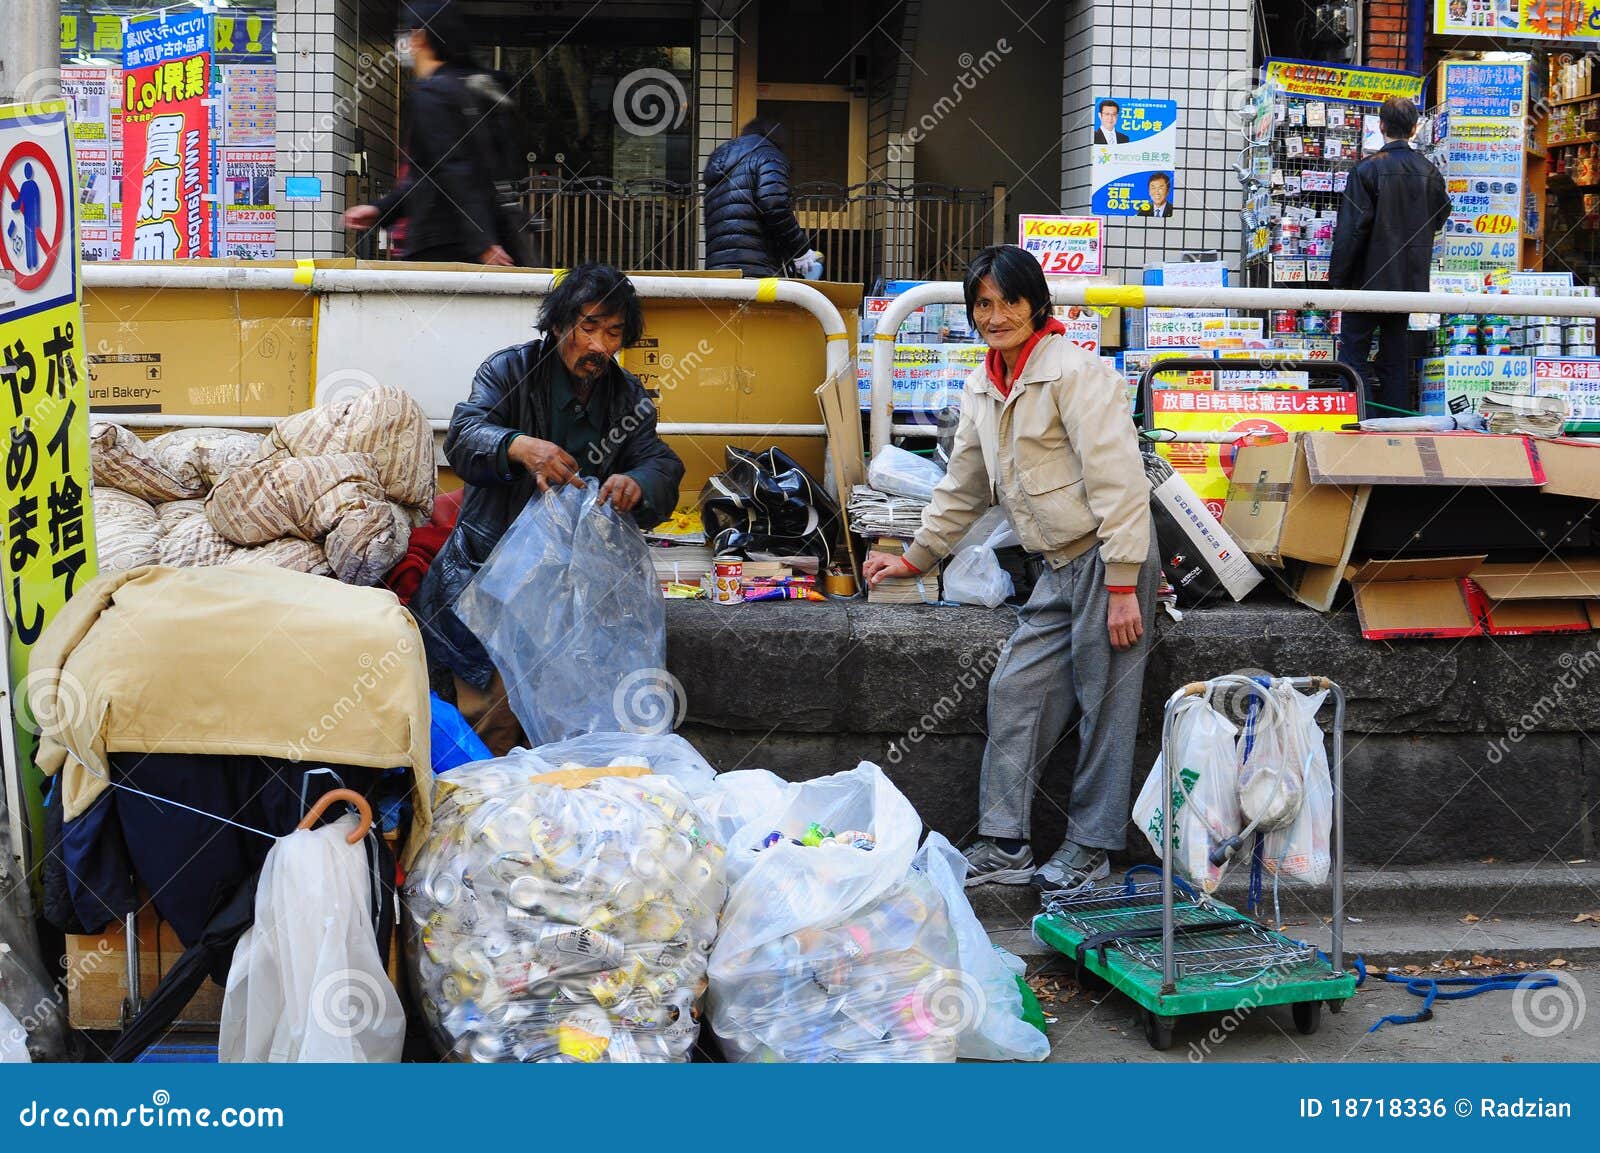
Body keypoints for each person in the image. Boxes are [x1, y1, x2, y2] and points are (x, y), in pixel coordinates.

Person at [863, 245, 1158, 897]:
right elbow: (961, 486)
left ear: (1038, 305)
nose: (995, 316)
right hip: (1055, 563)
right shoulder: (983, 384)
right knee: (1015, 688)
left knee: (1106, 704)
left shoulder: (1075, 373)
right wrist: (914, 557)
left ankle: (1091, 847)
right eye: (983, 304)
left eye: (1008, 302)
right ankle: (1004, 842)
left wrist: (1121, 585)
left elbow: (1120, 482)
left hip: (1111, 559)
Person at [411, 264, 685, 753]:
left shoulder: (627, 396)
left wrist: (636, 484)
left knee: (576, 731)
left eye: (615, 332)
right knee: (491, 719)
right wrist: (518, 446)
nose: (601, 346)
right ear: (559, 325)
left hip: (578, 594)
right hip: (491, 581)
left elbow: (659, 463)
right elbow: (465, 435)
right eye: (589, 328)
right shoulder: (509, 371)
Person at [342, 0, 515, 265]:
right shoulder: (476, 87)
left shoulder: (434, 93)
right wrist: (380, 209)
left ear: (419, 36)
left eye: (406, 32)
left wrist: (483, 242)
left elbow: (453, 168)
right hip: (474, 238)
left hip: (443, 243)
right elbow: (430, 175)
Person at [1330, 95, 1451, 414]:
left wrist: (1338, 281)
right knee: (1395, 356)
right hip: (1408, 283)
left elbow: (1351, 231)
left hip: (1365, 282)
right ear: (1414, 129)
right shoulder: (1430, 173)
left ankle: (1359, 419)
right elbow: (1440, 216)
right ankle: (1396, 425)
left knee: (1353, 355)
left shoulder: (1366, 170)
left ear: (1381, 126)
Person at [703, 118, 813, 277]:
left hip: (719, 270)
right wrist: (801, 250)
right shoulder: (769, 155)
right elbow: (774, 205)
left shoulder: (717, 166)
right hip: (757, 270)